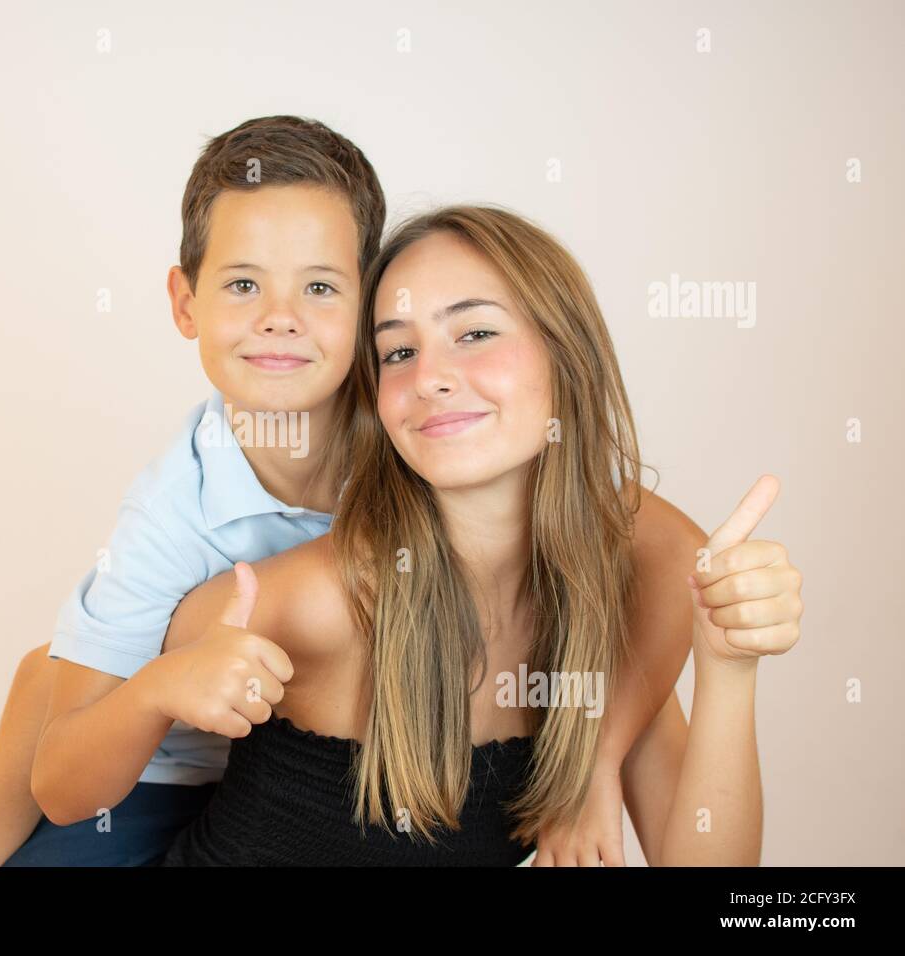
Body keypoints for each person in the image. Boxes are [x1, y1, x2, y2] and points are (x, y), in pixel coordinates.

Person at [149, 206, 801, 864]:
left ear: (565, 352)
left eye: (475, 332)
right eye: (398, 351)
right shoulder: (319, 599)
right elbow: (97, 696)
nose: (429, 376)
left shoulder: (604, 626)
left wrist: (728, 669)